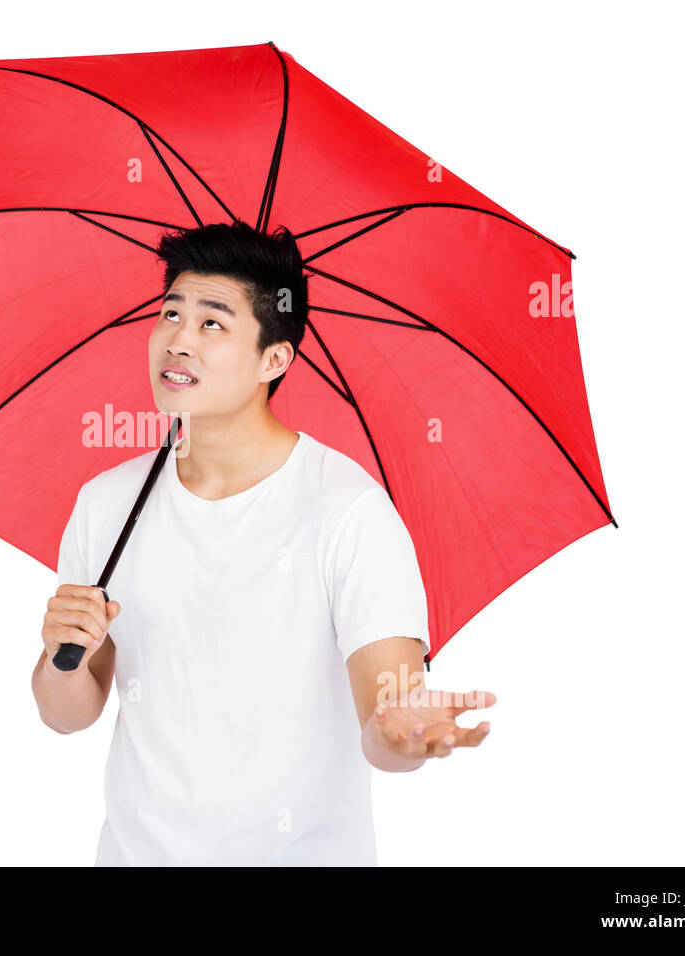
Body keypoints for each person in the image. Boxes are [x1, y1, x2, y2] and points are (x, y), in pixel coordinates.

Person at [31, 219, 495, 866]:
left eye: (212, 323)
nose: (178, 341)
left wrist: (401, 733)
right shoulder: (107, 503)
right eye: (171, 313)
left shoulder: (348, 511)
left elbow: (387, 720)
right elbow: (68, 714)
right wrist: (62, 658)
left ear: (274, 359)